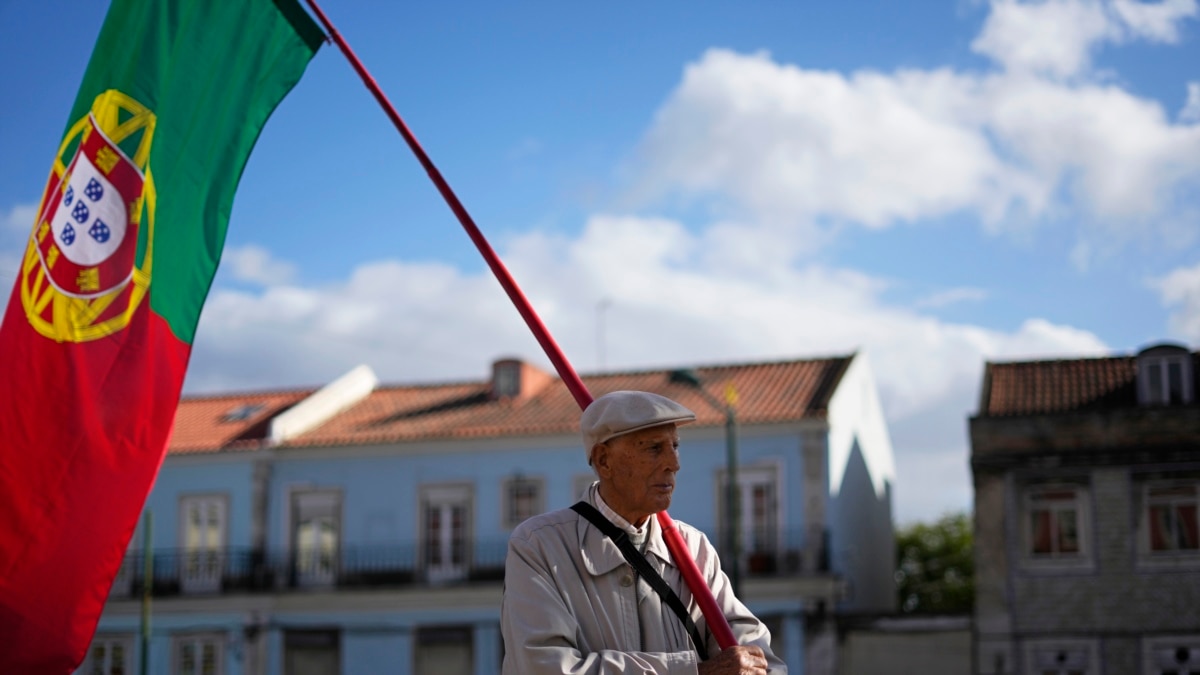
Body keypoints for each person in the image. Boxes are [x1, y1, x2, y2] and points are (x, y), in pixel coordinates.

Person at [501, 390, 787, 674]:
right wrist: (696, 672)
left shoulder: (694, 548)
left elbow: (758, 658)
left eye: (675, 446)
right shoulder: (538, 546)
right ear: (603, 461)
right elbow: (545, 668)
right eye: (654, 448)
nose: (673, 463)